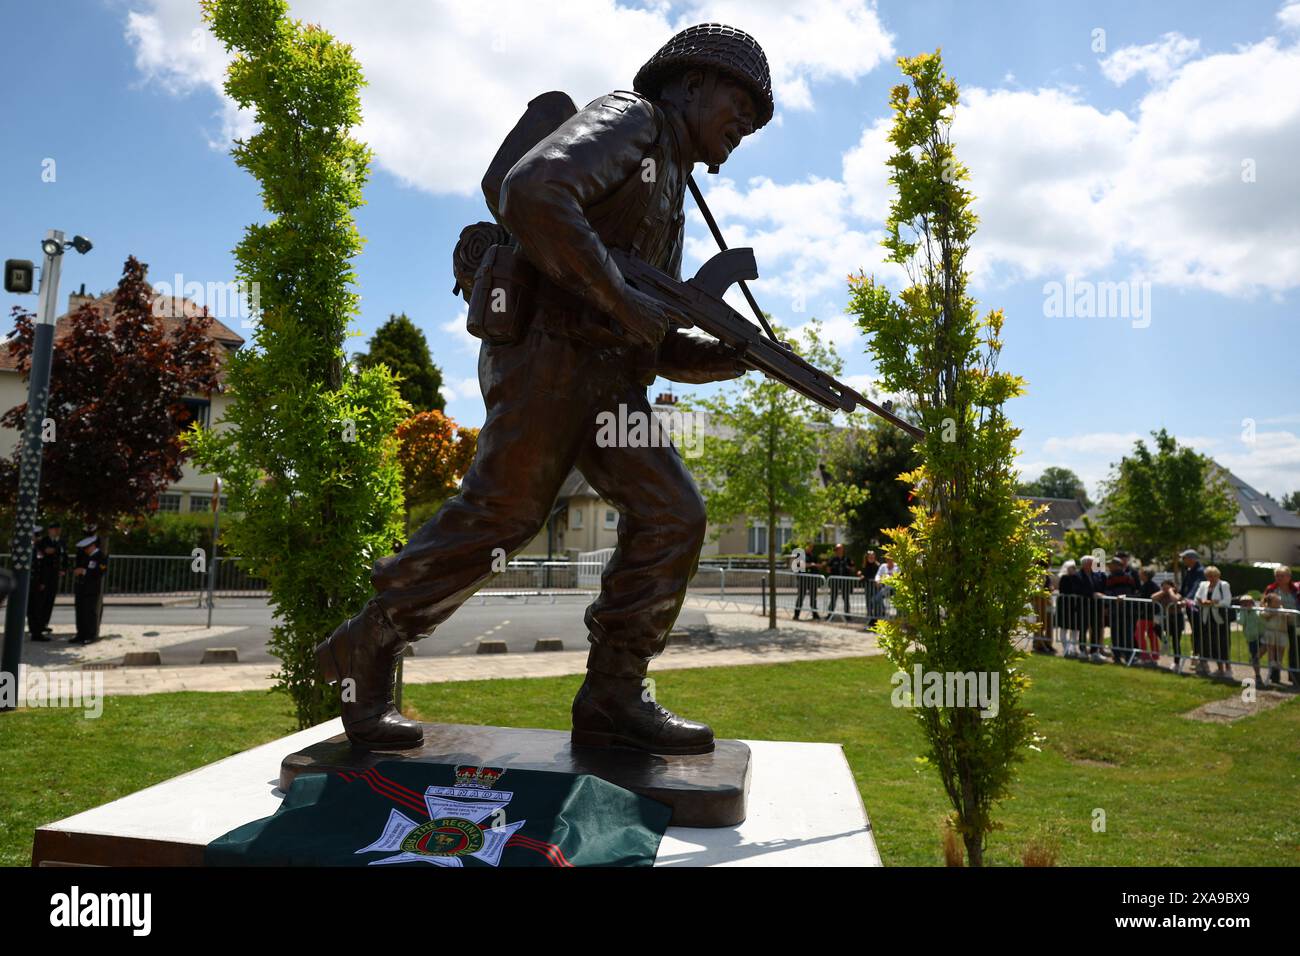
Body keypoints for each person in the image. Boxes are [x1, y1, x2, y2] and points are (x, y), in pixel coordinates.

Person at [316, 23, 774, 753]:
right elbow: (535, 191)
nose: (746, 125)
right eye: (741, 104)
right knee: (504, 517)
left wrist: (725, 357)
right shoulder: (632, 119)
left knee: (673, 514)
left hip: (606, 382)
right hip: (546, 359)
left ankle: (612, 696)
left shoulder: (672, 187)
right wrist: (627, 306)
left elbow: (643, 333)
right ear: (690, 84)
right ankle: (365, 643)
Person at [27, 520, 67, 641]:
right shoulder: (40, 544)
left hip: (48, 577)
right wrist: (42, 582)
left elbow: (63, 556)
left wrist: (63, 568)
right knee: (37, 605)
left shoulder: (59, 542)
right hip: (41, 579)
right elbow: (40, 565)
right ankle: (36, 630)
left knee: (47, 601)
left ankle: (40, 626)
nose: (38, 537)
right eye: (36, 535)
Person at [1261, 566, 1299, 687]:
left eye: (1282, 576)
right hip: (1277, 625)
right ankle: (1275, 676)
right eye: (1277, 576)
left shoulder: (1296, 589)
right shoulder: (1271, 589)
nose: (1280, 578)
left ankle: (1295, 677)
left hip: (1294, 624)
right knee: (1276, 651)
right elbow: (1263, 605)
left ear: (1289, 577)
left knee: (1295, 650)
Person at [1193, 565, 1232, 678]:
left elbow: (1227, 601)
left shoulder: (1223, 585)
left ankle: (1228, 669)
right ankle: (1220, 669)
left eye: (1213, 576)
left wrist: (1213, 603)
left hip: (1220, 619)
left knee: (1223, 644)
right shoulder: (1203, 585)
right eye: (1208, 576)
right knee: (1213, 644)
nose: (1210, 578)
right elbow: (1196, 599)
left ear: (1218, 575)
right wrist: (1202, 602)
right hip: (1206, 619)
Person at [72, 534, 108, 645]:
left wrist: (84, 571)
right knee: (80, 612)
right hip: (81, 587)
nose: (85, 550)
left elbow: (101, 572)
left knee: (89, 613)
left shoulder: (100, 556)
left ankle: (90, 635)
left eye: (87, 548)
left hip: (91, 589)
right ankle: (80, 634)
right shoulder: (84, 556)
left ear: (92, 546)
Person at [1103, 556, 1137, 665]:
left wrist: (1124, 595)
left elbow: (1134, 592)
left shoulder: (1128, 577)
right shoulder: (1110, 577)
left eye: (1111, 564)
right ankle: (1117, 655)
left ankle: (1128, 656)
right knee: (1116, 633)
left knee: (1127, 633)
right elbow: (1107, 591)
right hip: (1115, 610)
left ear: (1117, 565)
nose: (1109, 566)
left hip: (1127, 610)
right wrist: (1109, 603)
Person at [1178, 549, 1206, 673]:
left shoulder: (1200, 571)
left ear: (1191, 559)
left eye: (1184, 558)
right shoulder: (1190, 571)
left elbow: (1196, 586)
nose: (1183, 561)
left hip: (1197, 607)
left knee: (1199, 632)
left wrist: (1188, 599)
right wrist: (1179, 596)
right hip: (1191, 607)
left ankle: (1200, 657)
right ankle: (1196, 655)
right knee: (1195, 631)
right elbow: (1184, 587)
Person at [1152, 579, 1184, 672]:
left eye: (1167, 586)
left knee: (1176, 641)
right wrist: (1162, 591)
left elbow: (1175, 600)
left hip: (1177, 619)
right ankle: (1165, 642)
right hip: (1166, 619)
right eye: (1163, 586)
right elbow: (1153, 598)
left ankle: (1177, 662)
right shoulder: (1162, 595)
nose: (1165, 589)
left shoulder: (1177, 594)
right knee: (1156, 627)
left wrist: (1170, 591)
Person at [1259, 592, 1289, 688]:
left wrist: (1287, 615)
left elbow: (1286, 614)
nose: (1278, 603)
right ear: (1270, 602)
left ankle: (1279, 661)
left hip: (1281, 632)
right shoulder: (1267, 609)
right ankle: (1272, 660)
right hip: (1271, 632)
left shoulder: (1281, 608)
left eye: (1278, 601)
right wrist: (1273, 612)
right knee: (1271, 647)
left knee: (1281, 647)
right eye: (1275, 601)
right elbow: (1264, 615)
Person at [1132, 567, 1160, 665]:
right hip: (1151, 615)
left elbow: (1141, 598)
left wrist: (1127, 597)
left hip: (1146, 616)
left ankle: (1145, 656)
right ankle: (1154, 656)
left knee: (1139, 634)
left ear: (1145, 575)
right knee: (1152, 635)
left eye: (1141, 573)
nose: (1139, 575)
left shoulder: (1148, 586)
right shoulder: (1150, 585)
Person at [824, 543, 856, 622]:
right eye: (837, 549)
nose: (838, 551)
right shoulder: (832, 559)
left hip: (845, 582)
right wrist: (830, 568)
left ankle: (847, 615)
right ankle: (830, 614)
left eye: (839, 549)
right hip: (835, 582)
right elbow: (827, 569)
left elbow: (853, 569)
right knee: (833, 598)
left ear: (842, 550)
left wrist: (848, 568)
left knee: (846, 599)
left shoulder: (847, 559)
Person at [1056, 559, 1082, 657]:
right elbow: (1064, 590)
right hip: (1065, 607)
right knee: (1064, 627)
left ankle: (1073, 648)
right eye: (1072, 567)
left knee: (1075, 629)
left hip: (1075, 607)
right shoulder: (1064, 578)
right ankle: (1066, 648)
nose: (1074, 569)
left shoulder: (1077, 578)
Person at [1239, 594, 1265, 687]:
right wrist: (1243, 612)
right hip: (1251, 638)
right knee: (1254, 654)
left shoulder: (1257, 611)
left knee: (1265, 646)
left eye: (1248, 603)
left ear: (1253, 603)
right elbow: (1240, 621)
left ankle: (1256, 658)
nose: (1246, 605)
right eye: (1243, 603)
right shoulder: (1242, 612)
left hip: (1261, 635)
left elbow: (1261, 617)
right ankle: (1258, 675)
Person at [793, 543, 822, 621]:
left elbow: (817, 565)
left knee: (813, 598)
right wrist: (810, 565)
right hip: (803, 579)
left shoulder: (813, 556)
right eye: (809, 546)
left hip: (812, 579)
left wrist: (817, 565)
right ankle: (796, 614)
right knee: (801, 597)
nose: (810, 548)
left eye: (811, 547)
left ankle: (815, 614)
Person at [859, 550, 881, 626]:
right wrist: (861, 575)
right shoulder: (865, 565)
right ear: (867, 557)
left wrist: (864, 577)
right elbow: (864, 574)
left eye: (872, 556)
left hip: (876, 588)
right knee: (868, 604)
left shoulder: (878, 565)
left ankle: (876, 620)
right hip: (868, 588)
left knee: (876, 603)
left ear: (875, 557)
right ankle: (870, 620)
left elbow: (876, 576)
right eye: (869, 556)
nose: (871, 557)